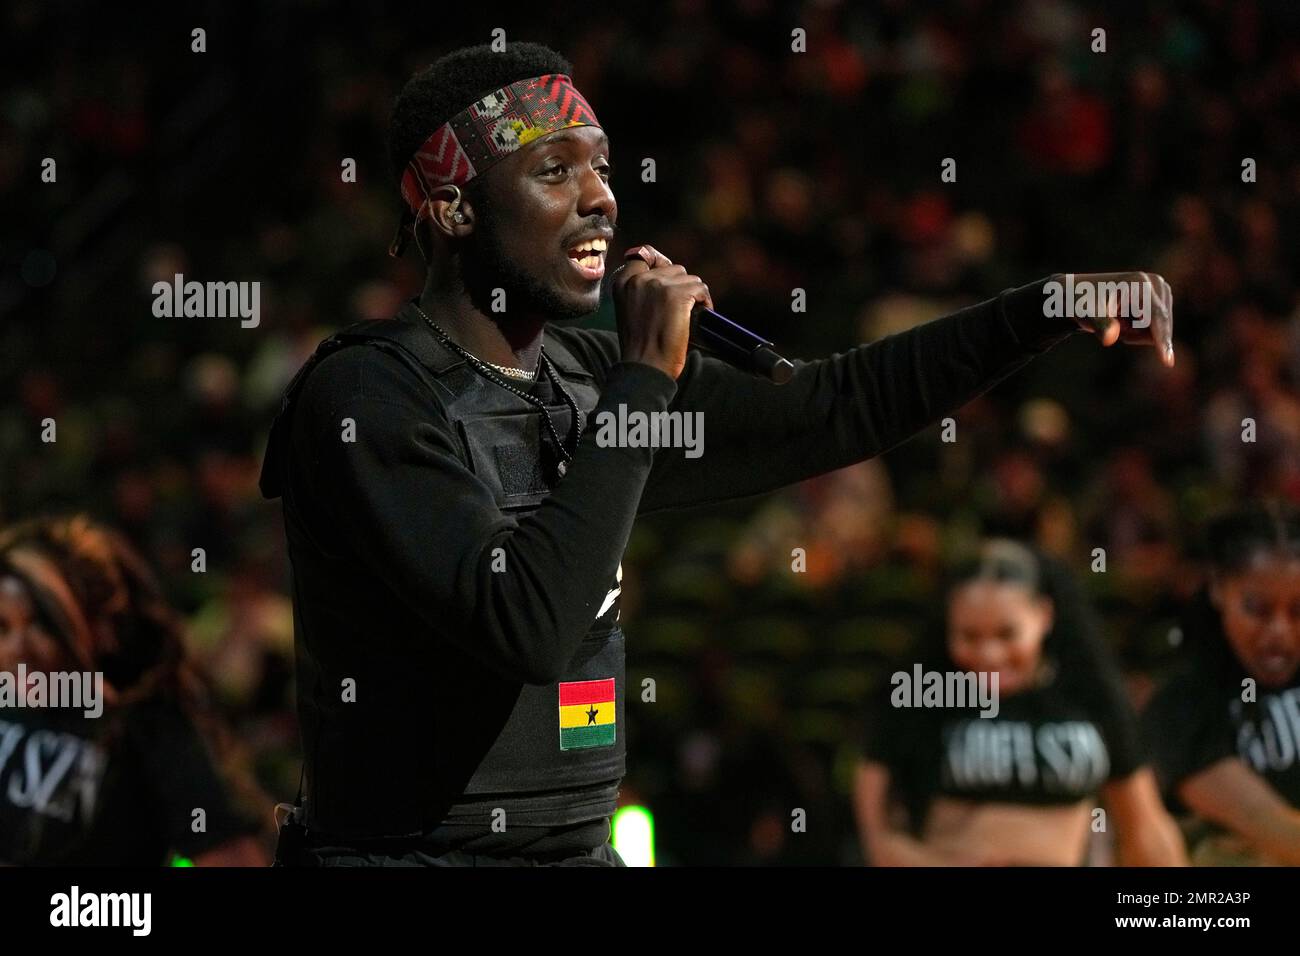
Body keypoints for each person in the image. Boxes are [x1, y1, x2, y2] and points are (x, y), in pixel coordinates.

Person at [257, 41, 1176, 866]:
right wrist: (645, 384)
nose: (601, 197)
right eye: (553, 170)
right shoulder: (368, 397)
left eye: (603, 168)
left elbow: (833, 409)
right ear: (454, 209)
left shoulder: (586, 376)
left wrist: (1036, 310)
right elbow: (526, 625)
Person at [851, 539, 1186, 866]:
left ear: (1043, 616)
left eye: (1006, 634)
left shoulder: (1089, 694)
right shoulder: (917, 701)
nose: (989, 655)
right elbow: (878, 840)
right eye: (968, 636)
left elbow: (1144, 826)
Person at [0, 514, 268, 865]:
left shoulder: (147, 722)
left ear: (102, 627)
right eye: (2, 627)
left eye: (41, 624)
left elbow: (234, 858)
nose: (17, 649)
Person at [1143, 499, 1300, 865]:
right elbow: (1265, 824)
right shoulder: (1183, 702)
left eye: (1298, 612)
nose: (1279, 632)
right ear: (1217, 589)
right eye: (1257, 609)